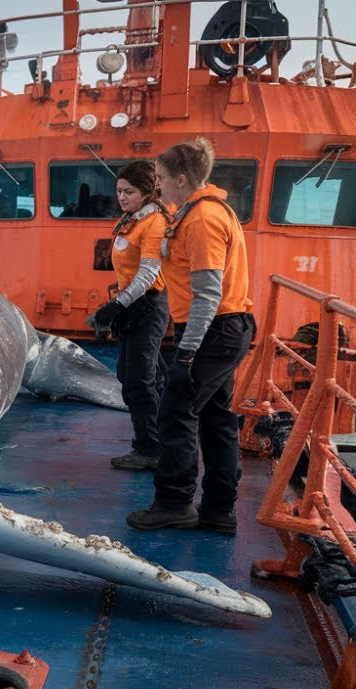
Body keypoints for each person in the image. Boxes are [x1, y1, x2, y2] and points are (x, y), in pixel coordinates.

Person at [126, 138, 256, 534]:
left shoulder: (202, 220)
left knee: (176, 412)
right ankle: (218, 510)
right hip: (224, 327)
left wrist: (185, 355)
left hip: (213, 329)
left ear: (182, 179)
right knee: (216, 417)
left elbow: (207, 294)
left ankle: (174, 503)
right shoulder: (205, 210)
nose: (158, 185)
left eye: (162, 178)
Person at [85, 160, 170, 471]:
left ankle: (150, 449)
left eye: (129, 191)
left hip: (147, 304)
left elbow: (149, 272)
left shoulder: (155, 223)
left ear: (148, 192)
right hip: (134, 304)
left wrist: (116, 306)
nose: (122, 196)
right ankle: (163, 437)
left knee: (139, 381)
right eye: (119, 190)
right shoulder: (131, 219)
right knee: (144, 375)